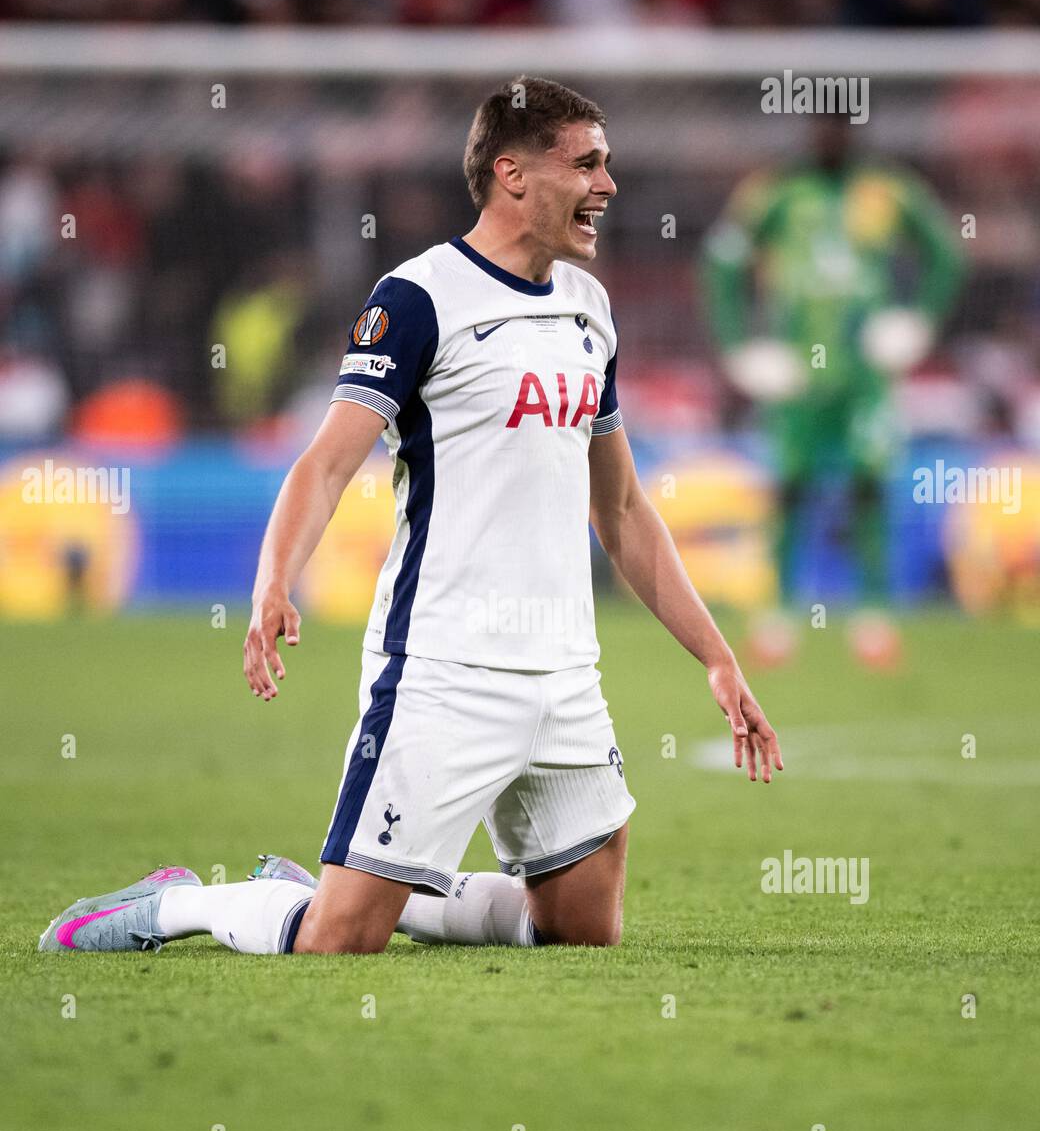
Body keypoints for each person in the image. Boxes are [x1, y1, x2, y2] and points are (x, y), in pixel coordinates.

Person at [40, 76, 782, 959]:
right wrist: (274, 582)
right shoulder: (420, 297)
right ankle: (181, 903)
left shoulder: (589, 309)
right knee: (339, 941)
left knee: (583, 929)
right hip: (444, 669)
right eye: (586, 164)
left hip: (565, 675)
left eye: (607, 163)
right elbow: (325, 465)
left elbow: (620, 508)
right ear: (513, 173)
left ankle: (344, 889)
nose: (608, 184)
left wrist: (717, 657)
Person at [702, 115, 963, 662]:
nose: (831, 136)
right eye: (823, 125)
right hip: (798, 373)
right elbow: (722, 260)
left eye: (841, 125)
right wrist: (739, 346)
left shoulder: (888, 189)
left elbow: (944, 251)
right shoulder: (775, 191)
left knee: (869, 483)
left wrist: (919, 321)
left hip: (865, 372)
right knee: (790, 486)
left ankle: (873, 616)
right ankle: (778, 613)